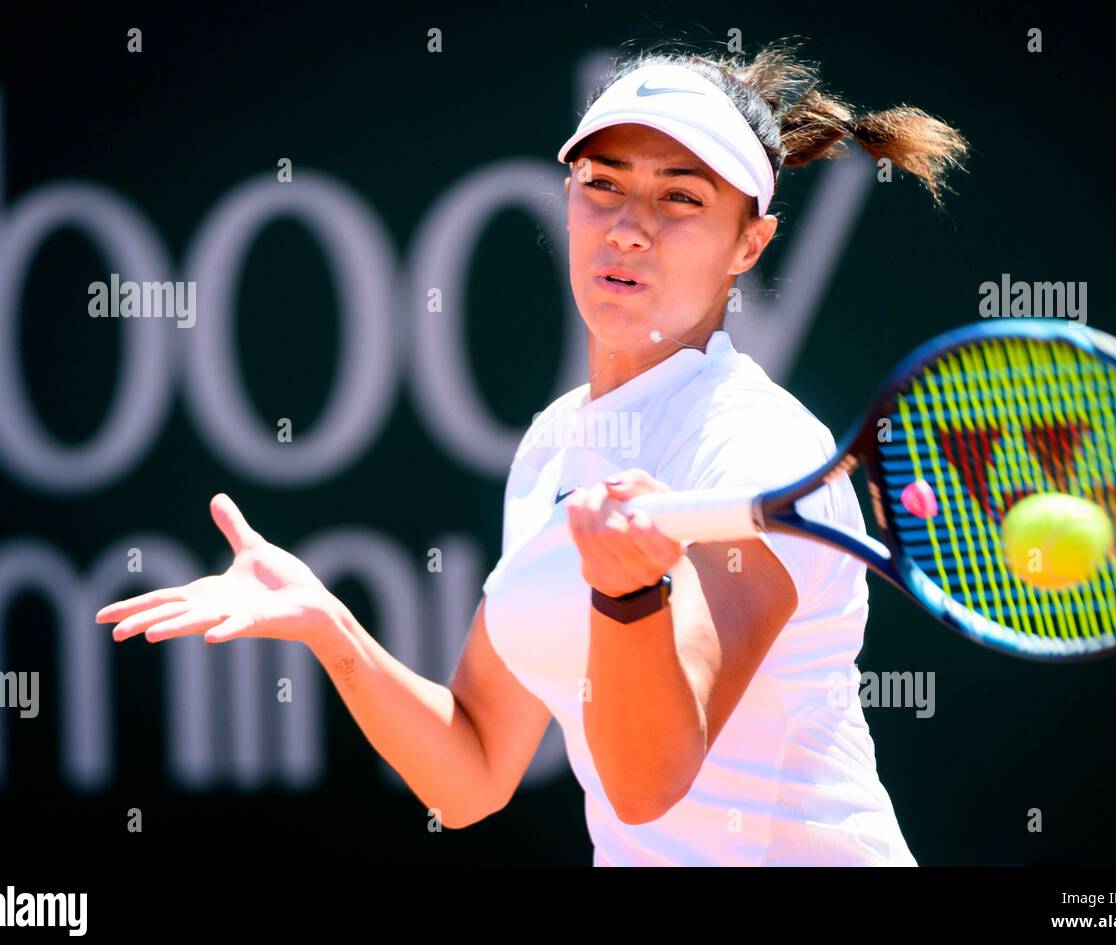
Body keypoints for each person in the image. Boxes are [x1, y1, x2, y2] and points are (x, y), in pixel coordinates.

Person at [96, 38, 968, 866]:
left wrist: (628, 595)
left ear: (751, 243)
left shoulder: (760, 448)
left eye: (681, 197)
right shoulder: (555, 444)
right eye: (603, 183)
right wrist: (332, 628)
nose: (629, 227)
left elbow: (648, 784)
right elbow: (470, 772)